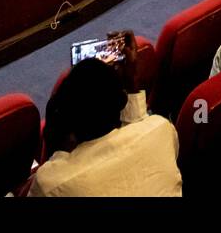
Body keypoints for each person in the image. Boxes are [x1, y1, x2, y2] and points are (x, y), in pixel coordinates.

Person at [33, 32, 181, 197]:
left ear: (69, 125)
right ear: (119, 105)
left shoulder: (52, 184)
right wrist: (131, 81)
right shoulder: (162, 130)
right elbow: (140, 130)